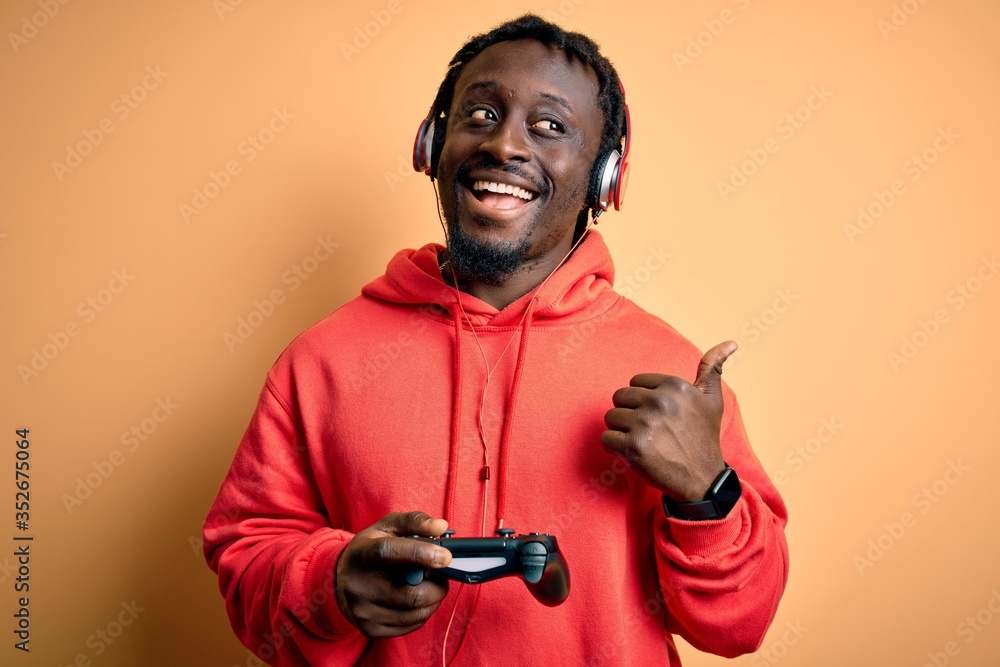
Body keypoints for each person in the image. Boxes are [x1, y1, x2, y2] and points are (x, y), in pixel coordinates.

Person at [203, 14, 788, 667]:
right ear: (432, 145)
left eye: (550, 126)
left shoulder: (676, 379)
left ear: (606, 179)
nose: (505, 145)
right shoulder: (318, 362)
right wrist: (330, 583)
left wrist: (707, 490)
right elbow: (247, 558)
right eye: (479, 115)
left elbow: (741, 623)